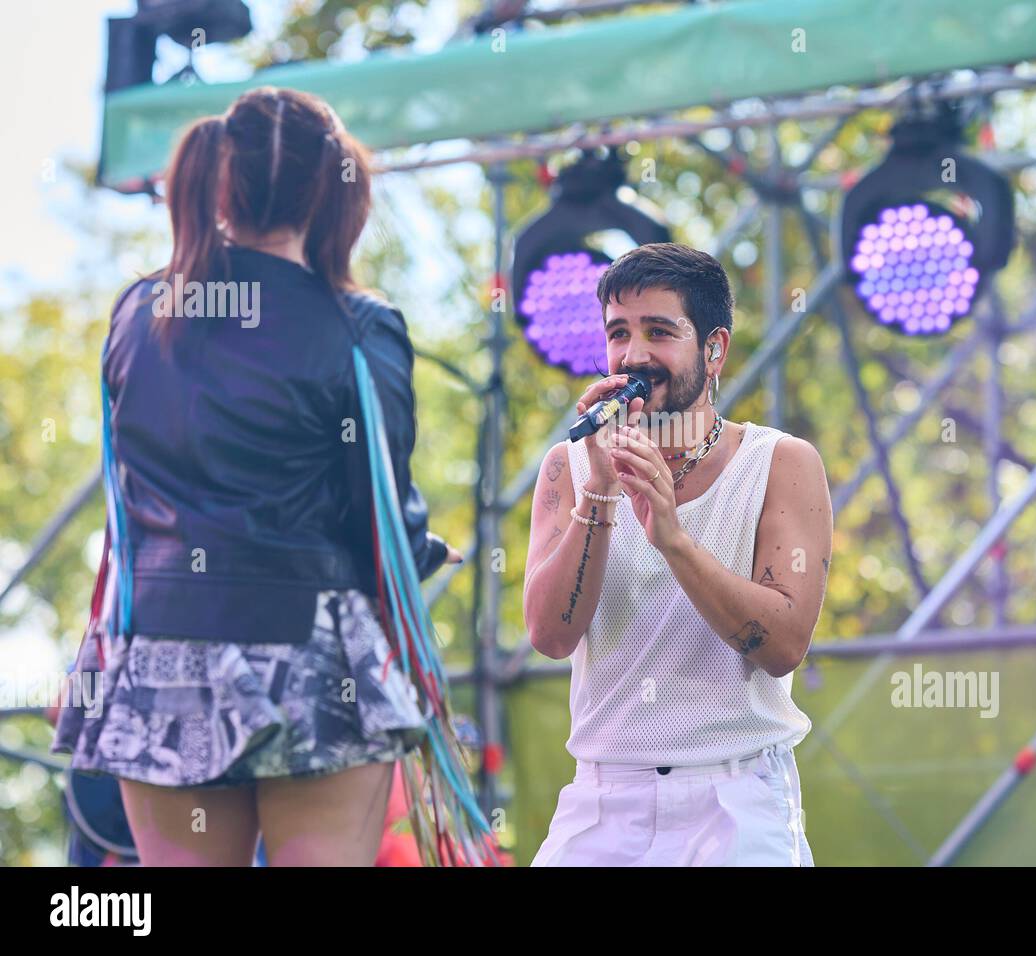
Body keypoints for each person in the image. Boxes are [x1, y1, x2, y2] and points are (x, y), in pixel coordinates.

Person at [51, 86, 462, 866]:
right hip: (310, 649)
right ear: (329, 190)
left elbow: (131, 509)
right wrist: (425, 549)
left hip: (160, 650)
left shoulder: (138, 315)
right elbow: (379, 520)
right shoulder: (359, 327)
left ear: (218, 179)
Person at [523, 242, 832, 866]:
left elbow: (782, 646)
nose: (634, 355)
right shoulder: (569, 467)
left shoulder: (780, 462)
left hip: (735, 794)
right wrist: (601, 495)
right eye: (619, 333)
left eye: (659, 332)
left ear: (714, 349)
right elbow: (551, 635)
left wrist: (673, 538)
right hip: (603, 795)